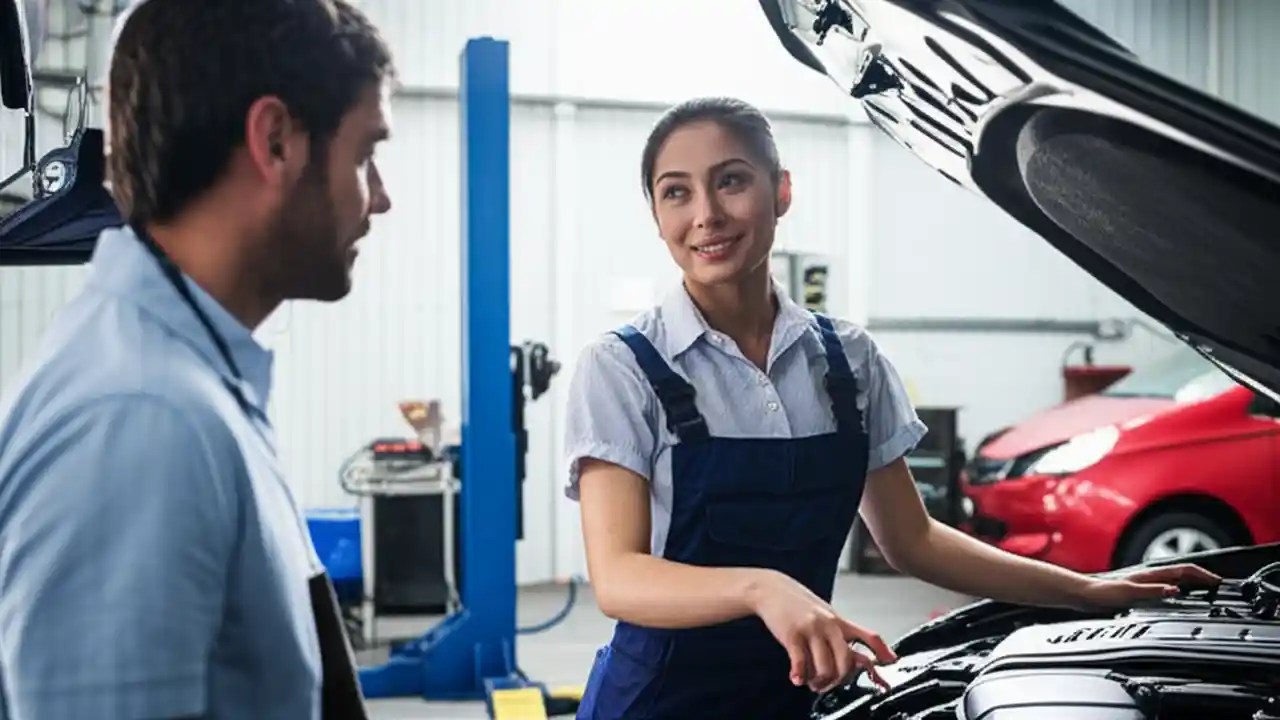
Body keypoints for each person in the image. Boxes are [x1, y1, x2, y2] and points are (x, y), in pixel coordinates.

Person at [563, 96, 1220, 719]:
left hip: (793, 698)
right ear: (656, 215)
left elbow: (912, 540)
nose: (705, 212)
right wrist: (761, 587)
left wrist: (1085, 590)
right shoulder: (623, 367)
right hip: (653, 703)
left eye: (731, 181)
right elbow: (620, 577)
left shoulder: (848, 362)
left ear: (781, 191)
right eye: (676, 191)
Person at [0, 1, 394, 718]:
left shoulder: (191, 375)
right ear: (276, 141)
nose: (381, 198)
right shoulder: (138, 421)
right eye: (365, 155)